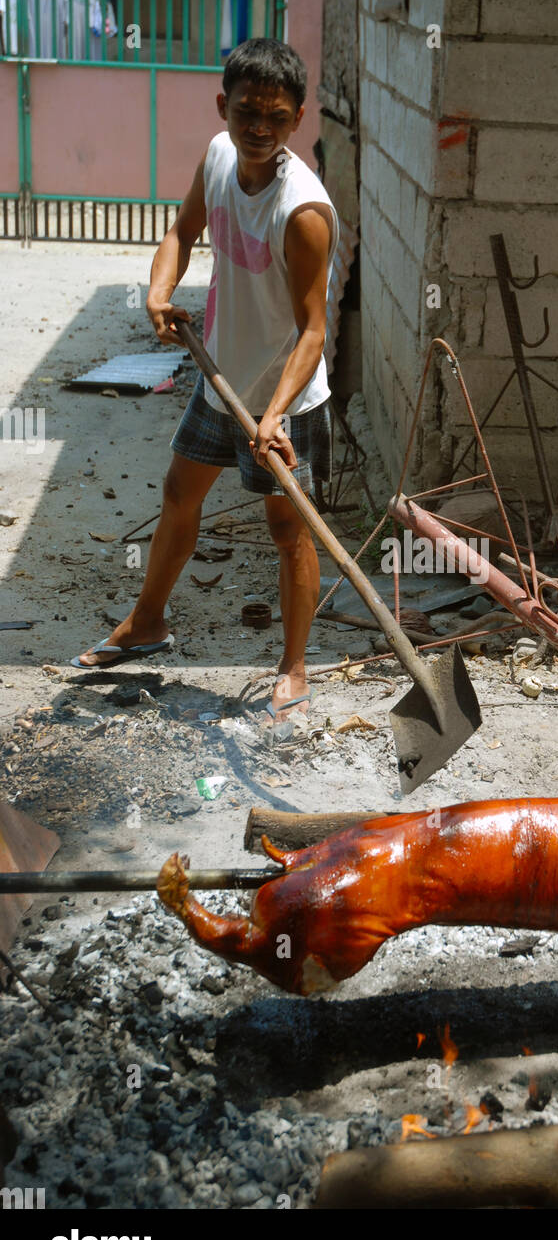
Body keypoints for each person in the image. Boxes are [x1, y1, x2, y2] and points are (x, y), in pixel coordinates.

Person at [72, 37, 338, 730]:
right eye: (247, 111)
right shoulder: (219, 159)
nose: (258, 129)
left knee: (288, 529)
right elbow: (181, 231)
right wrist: (159, 292)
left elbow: (314, 330)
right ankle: (147, 623)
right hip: (220, 377)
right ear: (224, 105)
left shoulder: (303, 211)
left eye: (276, 119)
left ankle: (293, 667)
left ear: (297, 120)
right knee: (177, 494)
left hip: (287, 397)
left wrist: (276, 414)